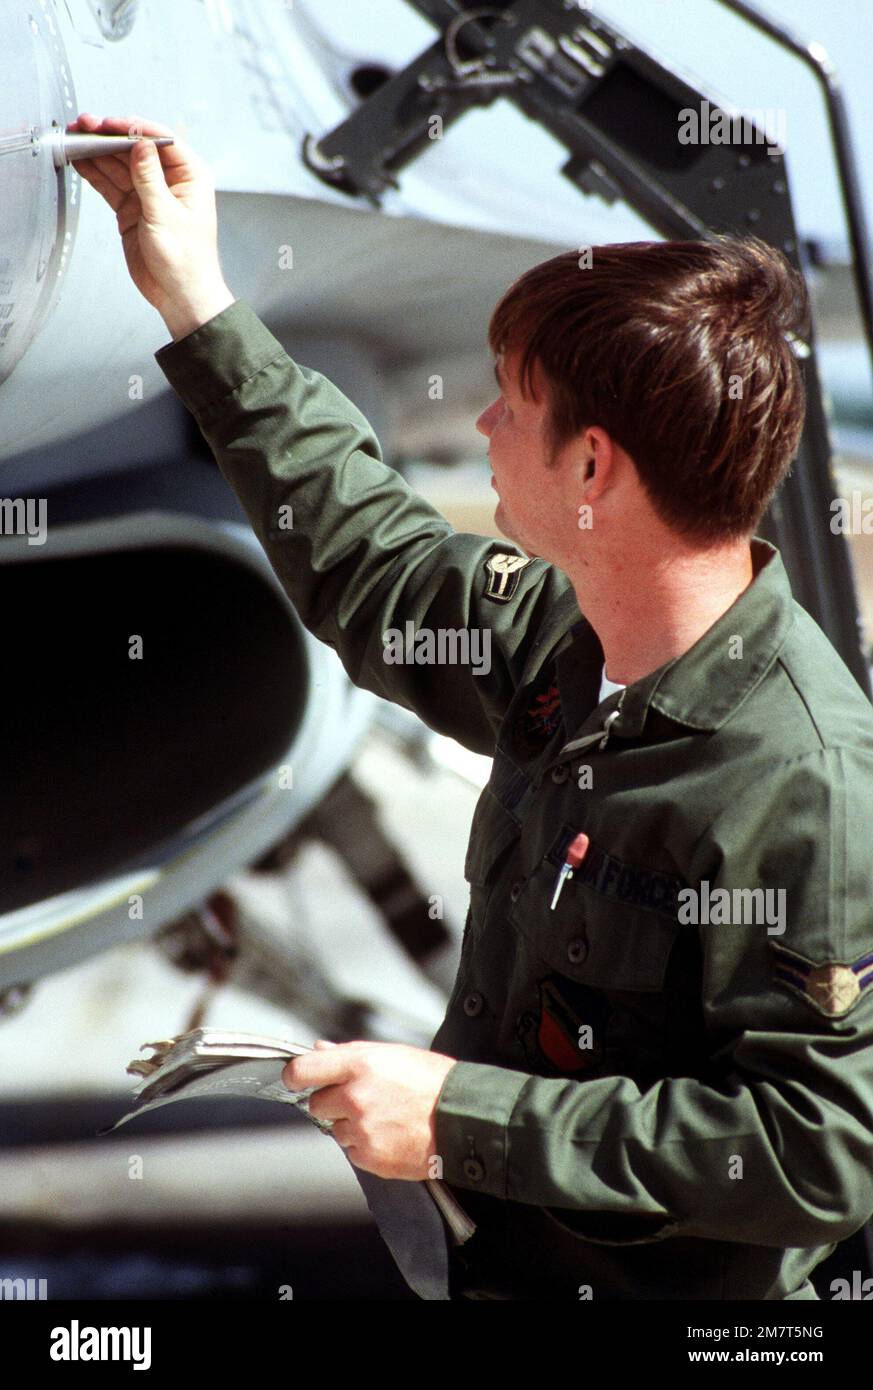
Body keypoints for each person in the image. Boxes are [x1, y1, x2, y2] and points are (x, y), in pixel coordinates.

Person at [70, 113, 873, 1301]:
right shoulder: (573, 641)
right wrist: (197, 304)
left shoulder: (803, 779)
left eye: (511, 403)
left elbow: (820, 1148)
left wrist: (460, 1118)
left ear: (592, 469)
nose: (484, 428)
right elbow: (367, 557)